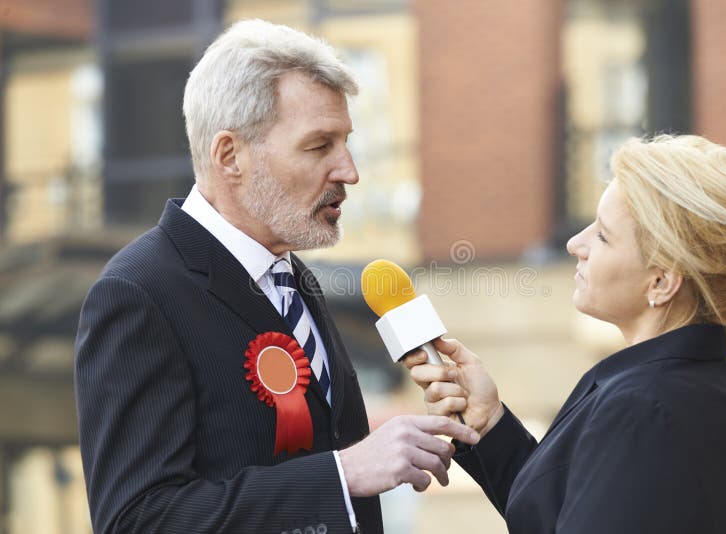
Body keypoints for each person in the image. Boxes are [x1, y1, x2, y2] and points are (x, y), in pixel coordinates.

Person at [74, 19, 478, 534]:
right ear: (230, 156)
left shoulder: (293, 276)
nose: (349, 171)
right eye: (318, 146)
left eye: (347, 142)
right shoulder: (137, 294)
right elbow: (136, 519)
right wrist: (342, 475)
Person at [404, 134, 726, 533]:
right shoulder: (714, 381)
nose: (576, 243)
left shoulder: (644, 406)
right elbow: (563, 513)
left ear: (660, 282)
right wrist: (489, 425)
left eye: (603, 235)